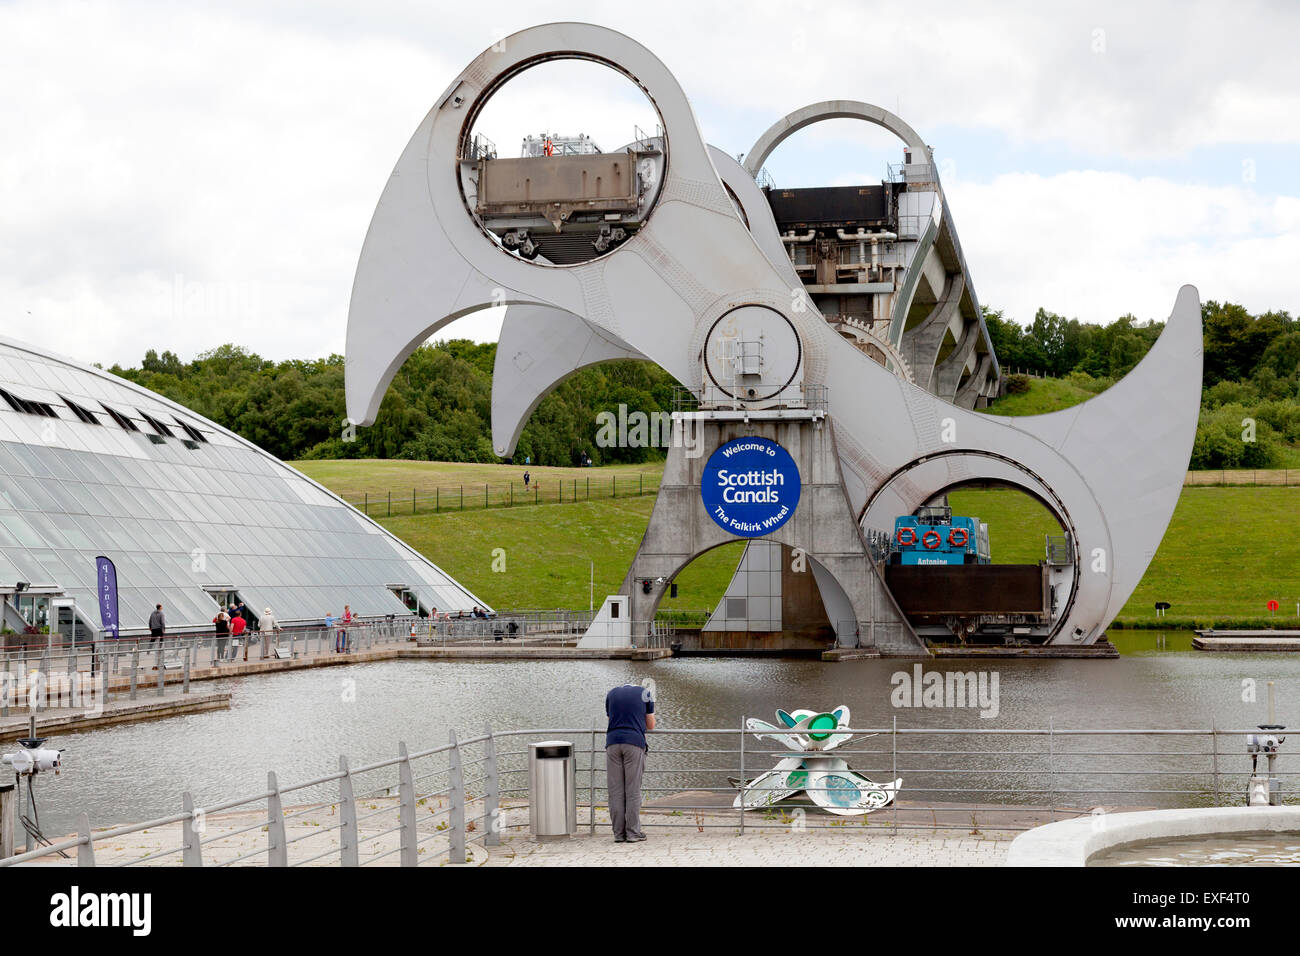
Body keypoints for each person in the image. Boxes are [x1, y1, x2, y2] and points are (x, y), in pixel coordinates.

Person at [605, 681, 656, 844]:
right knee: (632, 790)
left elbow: (610, 720)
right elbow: (651, 725)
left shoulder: (611, 693)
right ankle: (633, 832)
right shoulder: (646, 693)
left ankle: (618, 834)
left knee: (615, 791)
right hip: (634, 743)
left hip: (612, 743)